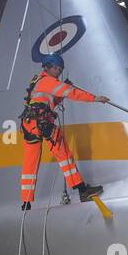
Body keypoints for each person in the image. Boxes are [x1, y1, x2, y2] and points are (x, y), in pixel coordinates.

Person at [20, 54, 107, 210]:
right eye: (57, 69)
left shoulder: (37, 82)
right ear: (48, 67)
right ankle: (82, 190)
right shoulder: (48, 81)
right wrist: (95, 98)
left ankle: (26, 203)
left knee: (30, 163)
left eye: (60, 70)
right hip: (43, 123)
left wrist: (60, 96)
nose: (59, 73)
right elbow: (72, 93)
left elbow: (50, 100)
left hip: (29, 124)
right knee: (64, 155)